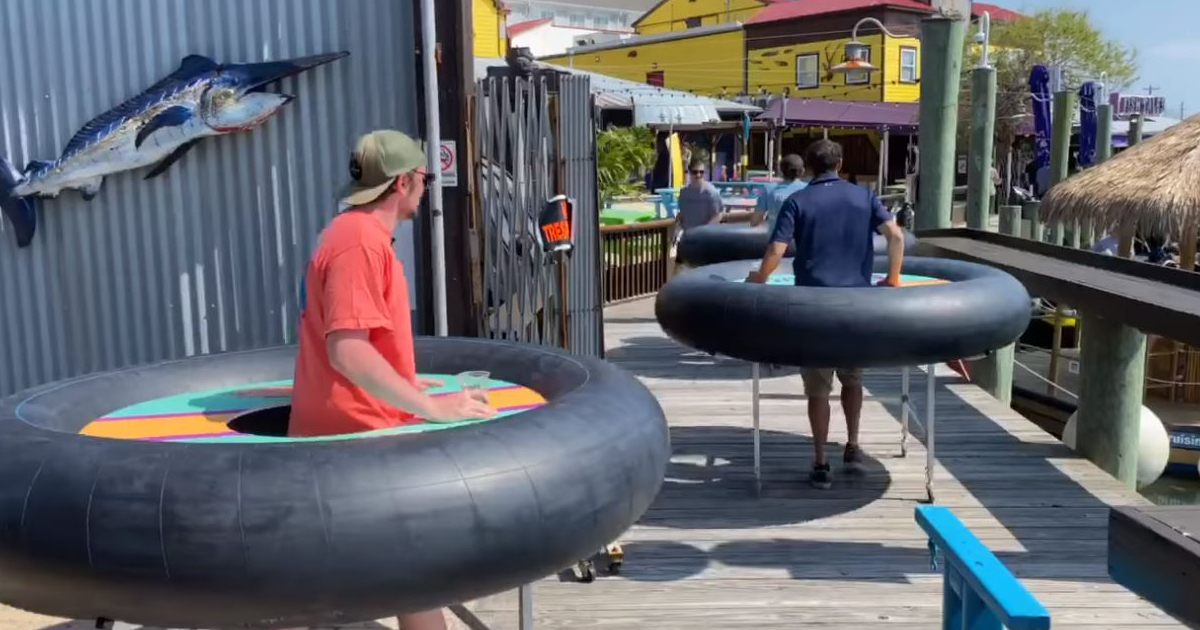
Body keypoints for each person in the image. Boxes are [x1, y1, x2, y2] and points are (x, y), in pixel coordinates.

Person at [289, 129, 495, 630]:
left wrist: (413, 387)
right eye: (424, 177)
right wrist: (434, 410)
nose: (426, 186)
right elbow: (348, 350)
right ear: (403, 182)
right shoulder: (358, 243)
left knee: (402, 580)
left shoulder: (356, 236)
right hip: (358, 441)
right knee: (415, 577)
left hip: (359, 431)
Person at [745, 139, 907, 489]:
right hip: (856, 308)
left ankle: (820, 461)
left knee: (817, 390)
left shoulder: (797, 200)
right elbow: (895, 235)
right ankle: (852, 445)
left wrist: (759, 278)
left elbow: (777, 248)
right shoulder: (864, 197)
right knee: (853, 379)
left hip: (814, 310)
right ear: (841, 161)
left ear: (810, 166)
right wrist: (892, 278)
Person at [672, 158, 725, 267]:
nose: (698, 175)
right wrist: (676, 232)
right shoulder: (684, 193)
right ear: (689, 173)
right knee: (678, 271)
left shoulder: (711, 192)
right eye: (695, 172)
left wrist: (703, 233)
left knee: (702, 272)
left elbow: (718, 215)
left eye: (701, 172)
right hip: (687, 239)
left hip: (705, 240)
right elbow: (682, 214)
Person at [750, 154, 807, 234]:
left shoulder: (768, 189)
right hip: (802, 241)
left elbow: (755, 221)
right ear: (803, 171)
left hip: (776, 241)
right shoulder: (809, 189)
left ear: (781, 171)